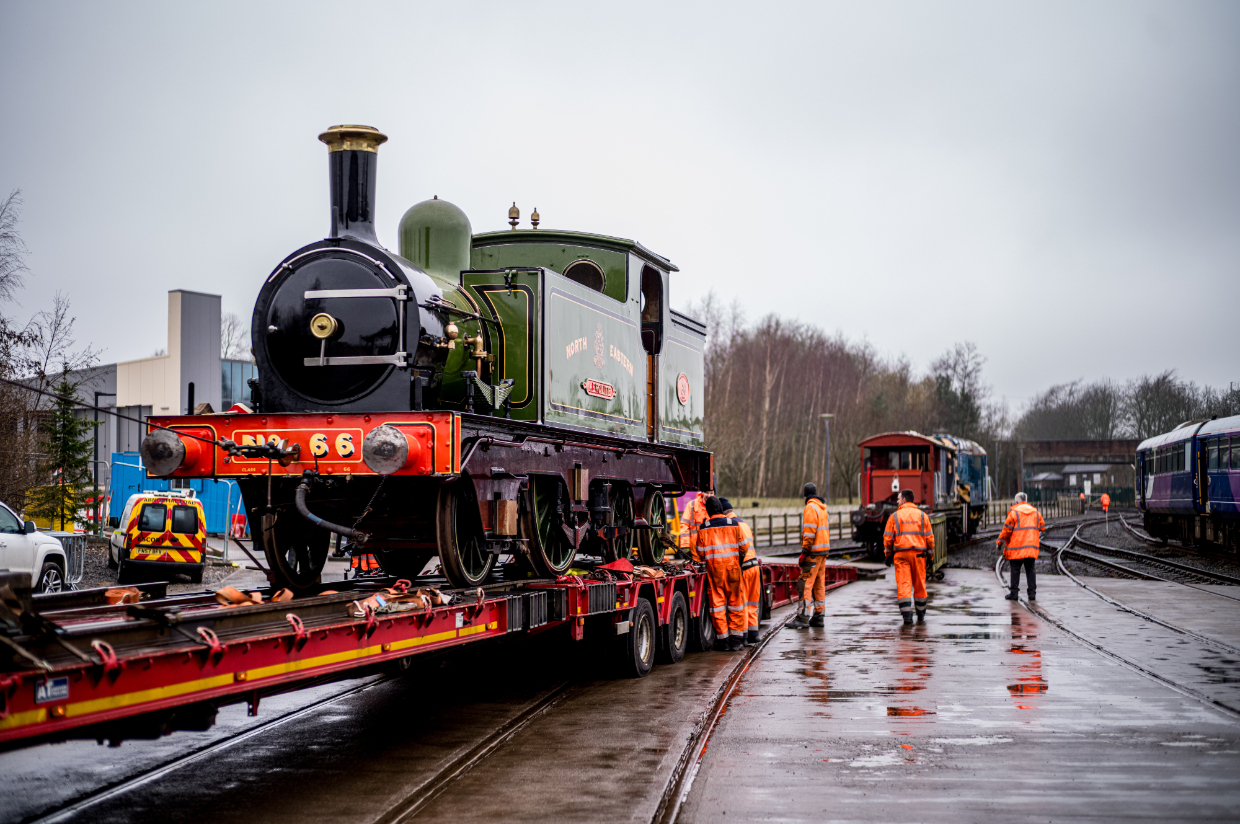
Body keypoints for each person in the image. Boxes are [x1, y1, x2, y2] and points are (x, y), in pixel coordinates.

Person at [692, 496, 752, 651]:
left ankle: (723, 641)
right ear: (720, 508)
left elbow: (699, 553)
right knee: (736, 606)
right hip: (733, 571)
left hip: (715, 573)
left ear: (709, 511)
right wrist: (737, 561)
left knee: (717, 607)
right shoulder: (734, 524)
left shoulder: (704, 528)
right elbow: (745, 547)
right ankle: (736, 641)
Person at [883, 489, 934, 625]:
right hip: (919, 555)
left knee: (904, 585)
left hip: (901, 555)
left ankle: (907, 616)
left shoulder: (894, 516)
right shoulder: (923, 516)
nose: (897, 502)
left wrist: (887, 555)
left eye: (898, 499)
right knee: (920, 585)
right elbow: (930, 539)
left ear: (904, 500)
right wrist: (931, 557)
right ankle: (921, 614)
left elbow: (888, 539)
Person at [788, 482, 830, 629]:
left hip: (813, 553)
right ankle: (819, 616)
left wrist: (805, 550)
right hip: (823, 552)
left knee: (804, 584)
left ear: (805, 495)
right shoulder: (822, 508)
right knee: (819, 585)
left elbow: (810, 531)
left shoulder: (810, 508)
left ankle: (802, 617)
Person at [721, 498, 761, 645]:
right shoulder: (744, 523)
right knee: (752, 603)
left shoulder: (731, 524)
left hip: (743, 568)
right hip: (755, 566)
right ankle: (754, 634)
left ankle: (743, 636)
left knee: (742, 603)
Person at [997, 491, 1045, 601]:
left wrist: (999, 543)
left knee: (1015, 570)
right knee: (1030, 570)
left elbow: (1005, 531)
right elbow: (1042, 527)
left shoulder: (1014, 514)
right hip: (1031, 549)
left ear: (1017, 501)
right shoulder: (1036, 513)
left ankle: (1014, 593)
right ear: (1026, 501)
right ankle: (1032, 594)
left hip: (1016, 549)